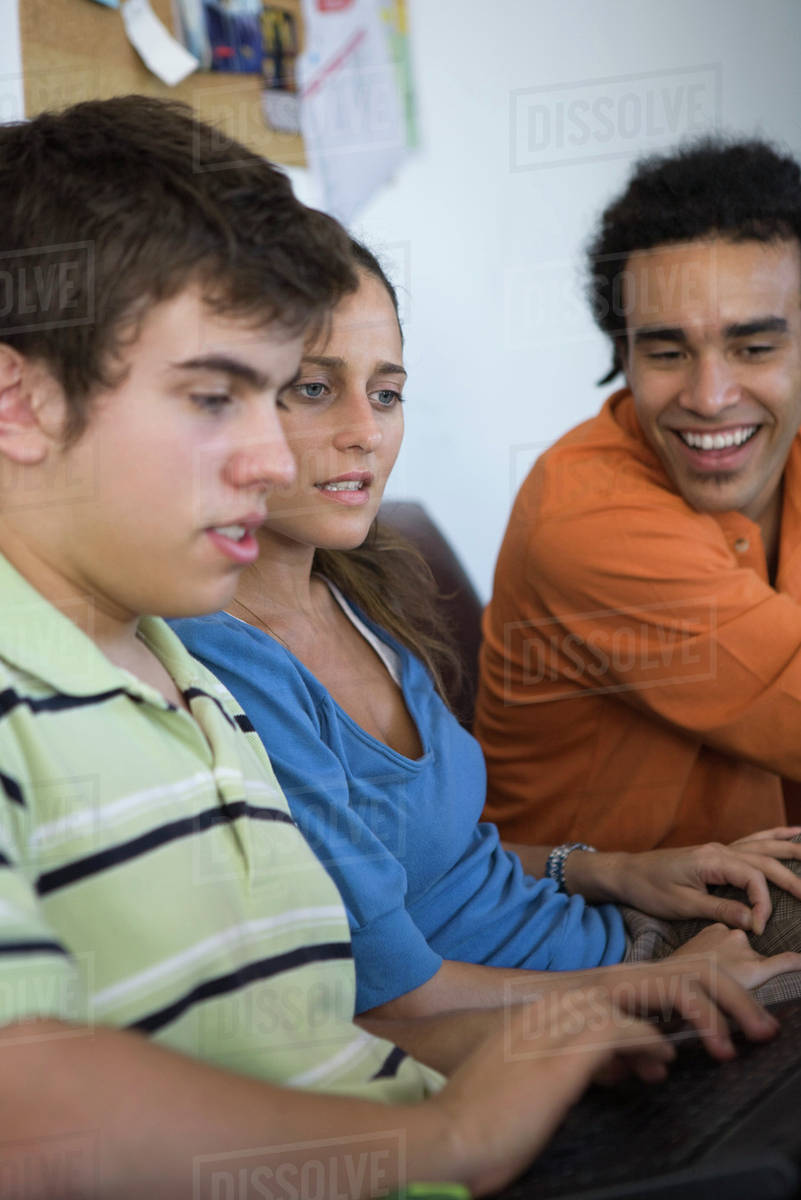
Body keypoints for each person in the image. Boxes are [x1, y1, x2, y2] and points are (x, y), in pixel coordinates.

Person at [0, 94, 771, 1200]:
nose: (281, 455)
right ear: (18, 402)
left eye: (283, 396)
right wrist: (456, 1131)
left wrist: (584, 976)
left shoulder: (171, 673)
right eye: (224, 396)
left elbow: (328, 1025)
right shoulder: (184, 658)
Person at [173, 240, 801, 1026]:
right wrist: (656, 981)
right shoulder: (223, 660)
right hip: (564, 1012)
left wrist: (614, 872)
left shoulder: (352, 587)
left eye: (387, 393)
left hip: (605, 933)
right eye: (311, 388)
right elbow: (389, 1000)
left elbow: (448, 862)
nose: (365, 431)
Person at [474, 136, 801, 853]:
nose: (709, 397)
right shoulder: (586, 517)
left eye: (753, 348)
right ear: (620, 354)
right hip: (604, 927)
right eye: (665, 352)